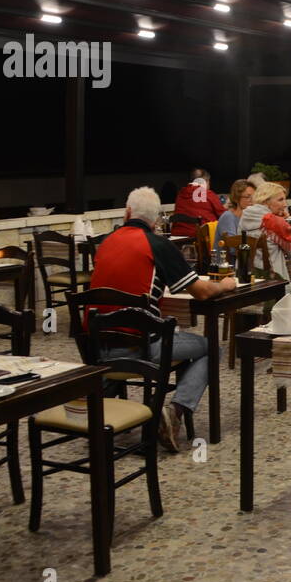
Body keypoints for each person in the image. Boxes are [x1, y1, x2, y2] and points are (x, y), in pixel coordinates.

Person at [88, 186, 237, 451]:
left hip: (96, 345)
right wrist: (225, 284)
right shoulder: (157, 245)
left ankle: (106, 393)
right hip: (140, 345)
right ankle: (173, 411)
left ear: (127, 213)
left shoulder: (106, 243)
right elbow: (201, 292)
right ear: (156, 220)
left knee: (166, 332)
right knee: (212, 347)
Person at [237, 181, 291, 281]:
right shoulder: (275, 222)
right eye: (280, 200)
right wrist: (283, 222)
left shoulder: (246, 214)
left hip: (244, 276)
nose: (285, 204)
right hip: (272, 279)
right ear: (265, 201)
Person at [171, 168, 226, 237]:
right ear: (205, 181)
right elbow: (224, 216)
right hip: (200, 238)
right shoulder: (207, 193)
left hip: (178, 235)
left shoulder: (181, 194)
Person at [215, 178, 255, 245]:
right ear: (236, 198)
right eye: (248, 197)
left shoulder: (248, 216)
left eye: (254, 197)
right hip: (227, 255)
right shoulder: (228, 217)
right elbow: (233, 247)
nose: (252, 200)